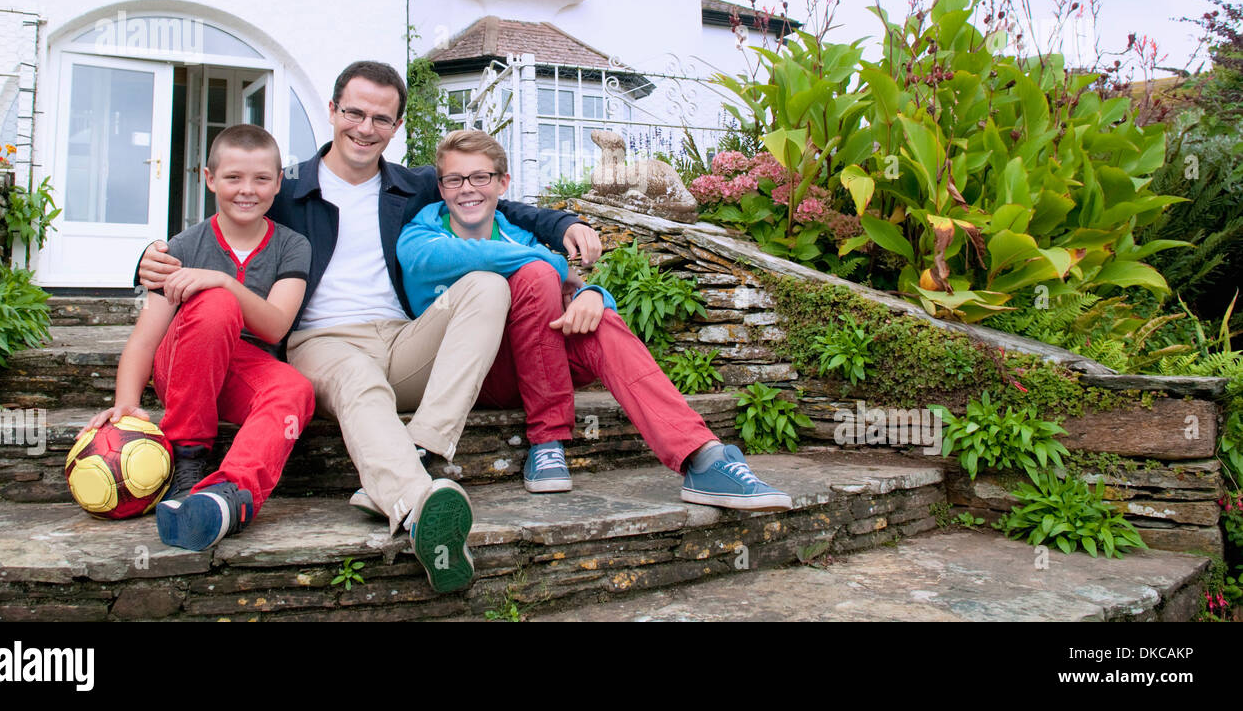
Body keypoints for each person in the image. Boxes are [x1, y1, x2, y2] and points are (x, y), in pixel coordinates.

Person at [137, 61, 600, 592]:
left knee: (487, 284)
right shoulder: (286, 189)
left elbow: (498, 202)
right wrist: (150, 259)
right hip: (323, 342)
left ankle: (425, 442)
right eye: (354, 112)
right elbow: (227, 221)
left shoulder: (417, 185)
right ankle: (421, 506)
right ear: (332, 111)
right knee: (360, 383)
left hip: (404, 336)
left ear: (396, 127)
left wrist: (563, 222)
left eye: (381, 118)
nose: (365, 127)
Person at [396, 129, 794, 511]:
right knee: (536, 274)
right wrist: (553, 263)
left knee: (598, 321)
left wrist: (592, 295)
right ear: (441, 187)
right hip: (469, 374)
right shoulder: (422, 230)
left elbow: (572, 289)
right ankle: (548, 439)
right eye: (454, 180)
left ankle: (702, 456)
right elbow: (447, 260)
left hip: (533, 361)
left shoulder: (520, 235)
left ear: (503, 184)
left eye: (480, 176)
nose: (467, 188)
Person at [84, 124, 316, 551]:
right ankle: (188, 457)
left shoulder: (292, 245)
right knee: (213, 304)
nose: (247, 190)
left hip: (243, 370)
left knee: (296, 388)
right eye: (233, 178)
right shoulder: (182, 247)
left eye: (262, 179)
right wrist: (126, 404)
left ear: (279, 182)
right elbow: (144, 338)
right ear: (209, 179)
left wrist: (223, 282)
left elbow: (276, 326)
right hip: (183, 364)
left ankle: (228, 495)